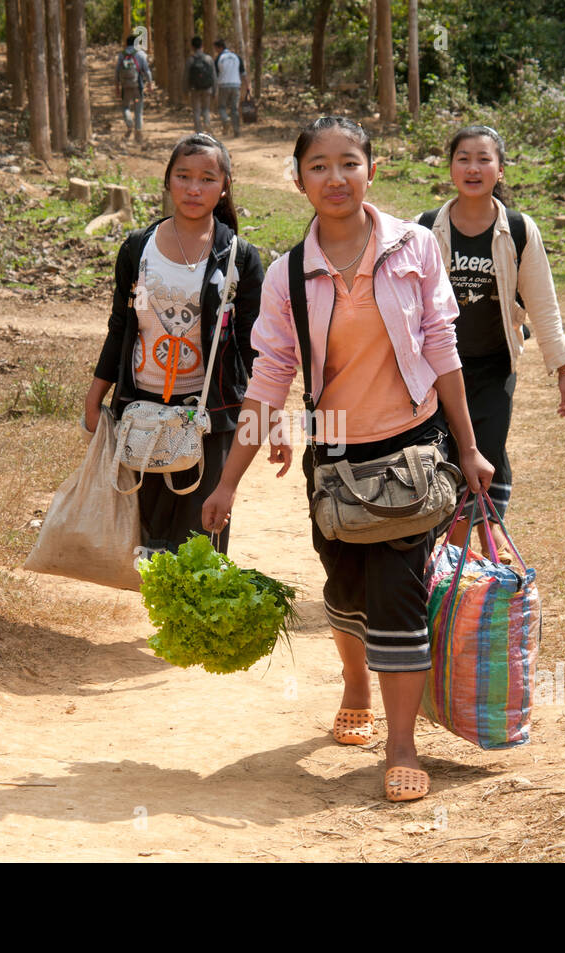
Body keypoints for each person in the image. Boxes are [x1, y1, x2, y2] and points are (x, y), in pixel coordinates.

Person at [200, 117, 494, 803]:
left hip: (412, 446)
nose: (335, 178)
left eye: (349, 163)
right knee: (346, 592)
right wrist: (227, 482)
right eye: (319, 166)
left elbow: (442, 348)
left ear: (371, 169)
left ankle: (400, 743)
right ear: (298, 179)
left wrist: (471, 447)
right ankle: (354, 679)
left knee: (400, 596)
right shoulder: (285, 275)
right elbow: (269, 377)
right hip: (332, 456)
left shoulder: (415, 247)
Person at [85, 134, 264, 557]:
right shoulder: (137, 249)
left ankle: (195, 622)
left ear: (224, 187)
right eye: (183, 176)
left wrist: (266, 420)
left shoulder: (240, 258)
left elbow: (253, 349)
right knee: (147, 543)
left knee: (201, 543)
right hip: (141, 412)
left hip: (209, 418)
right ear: (168, 181)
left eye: (207, 178)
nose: (193, 188)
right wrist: (96, 398)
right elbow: (120, 326)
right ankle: (162, 621)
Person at [416, 125, 565, 555]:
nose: (473, 168)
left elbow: (542, 302)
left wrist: (563, 369)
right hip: (436, 371)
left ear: (500, 170)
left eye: (483, 159)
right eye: (464, 158)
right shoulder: (425, 229)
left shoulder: (518, 230)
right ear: (450, 167)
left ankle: (485, 556)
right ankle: (453, 559)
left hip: (493, 367)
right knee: (445, 456)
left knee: (486, 452)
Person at [115, 35, 154, 144]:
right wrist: (150, 84)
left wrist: (117, 86)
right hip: (138, 86)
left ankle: (129, 124)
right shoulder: (141, 54)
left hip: (126, 87)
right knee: (138, 109)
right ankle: (138, 132)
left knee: (126, 106)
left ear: (126, 43)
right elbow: (147, 71)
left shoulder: (122, 55)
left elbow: (117, 71)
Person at [212, 38, 248, 138]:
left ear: (219, 48)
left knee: (222, 107)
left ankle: (225, 120)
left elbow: (215, 75)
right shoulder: (236, 57)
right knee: (234, 109)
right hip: (236, 85)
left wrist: (214, 89)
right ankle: (236, 131)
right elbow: (243, 73)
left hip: (223, 85)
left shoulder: (219, 58)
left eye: (216, 48)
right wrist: (247, 86)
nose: (215, 51)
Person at [185, 36, 216, 135]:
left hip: (195, 89)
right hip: (207, 88)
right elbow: (214, 75)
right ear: (202, 46)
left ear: (192, 47)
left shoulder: (190, 60)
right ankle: (207, 124)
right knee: (206, 109)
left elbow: (185, 77)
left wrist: (185, 90)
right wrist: (215, 90)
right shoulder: (209, 59)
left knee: (196, 110)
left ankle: (199, 132)